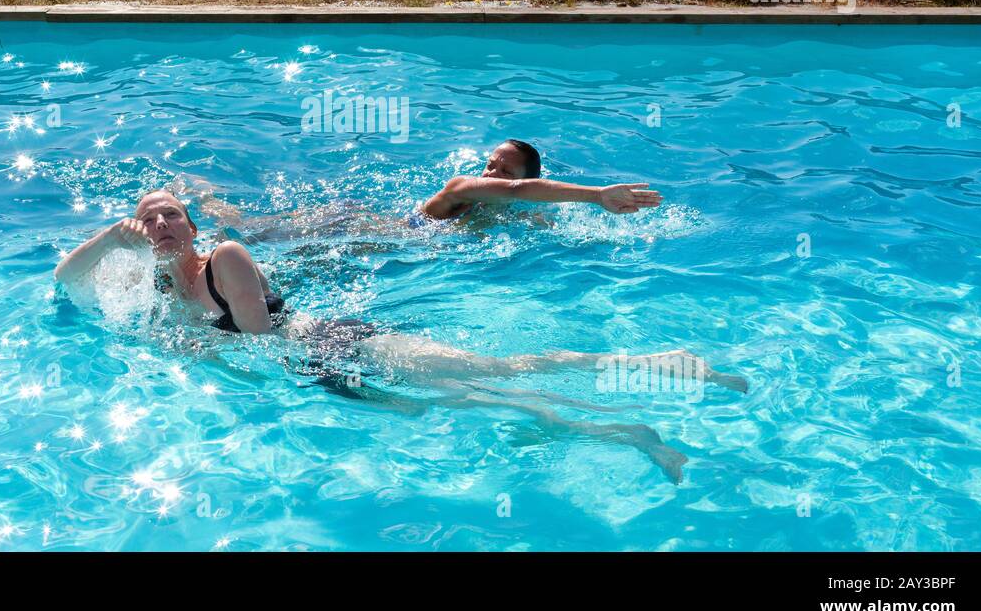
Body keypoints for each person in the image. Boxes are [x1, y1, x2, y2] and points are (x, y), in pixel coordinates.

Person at [54, 190, 748, 483]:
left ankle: (666, 371)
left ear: (194, 228)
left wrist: (191, 350)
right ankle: (630, 434)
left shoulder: (224, 259)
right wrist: (110, 238)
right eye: (148, 221)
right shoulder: (156, 286)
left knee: (499, 371)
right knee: (478, 402)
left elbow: (259, 341)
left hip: (342, 345)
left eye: (172, 214)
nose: (162, 225)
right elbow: (66, 280)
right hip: (315, 375)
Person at [420, 139, 663, 221]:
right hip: (398, 237)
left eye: (505, 172)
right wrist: (597, 195)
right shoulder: (461, 188)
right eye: (490, 165)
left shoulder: (524, 214)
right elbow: (514, 189)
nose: (491, 175)